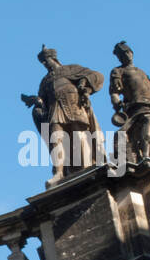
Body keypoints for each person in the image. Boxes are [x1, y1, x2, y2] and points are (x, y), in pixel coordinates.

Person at [20, 46, 103, 183]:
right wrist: (37, 101)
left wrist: (83, 84)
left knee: (79, 135)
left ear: (54, 58)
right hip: (55, 110)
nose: (45, 64)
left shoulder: (71, 69)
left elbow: (96, 75)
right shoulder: (45, 81)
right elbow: (43, 102)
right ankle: (58, 172)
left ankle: (86, 165)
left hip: (74, 106)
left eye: (46, 60)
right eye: (43, 63)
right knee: (55, 139)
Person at [108, 41, 150, 163]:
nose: (127, 56)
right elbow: (114, 91)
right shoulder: (118, 71)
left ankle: (146, 155)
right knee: (136, 131)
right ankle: (142, 156)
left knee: (148, 126)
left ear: (132, 53)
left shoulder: (141, 71)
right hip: (135, 105)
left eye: (128, 52)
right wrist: (117, 103)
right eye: (123, 54)